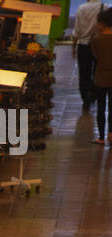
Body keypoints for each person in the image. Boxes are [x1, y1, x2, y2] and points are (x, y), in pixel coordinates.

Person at [73, 0, 102, 109]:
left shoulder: (81, 8)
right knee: (97, 71)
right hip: (98, 44)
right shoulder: (104, 7)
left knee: (84, 72)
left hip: (84, 45)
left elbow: (77, 30)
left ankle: (85, 96)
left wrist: (74, 46)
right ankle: (93, 93)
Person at [91, 9, 112, 144]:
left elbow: (95, 57)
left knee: (101, 106)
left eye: (98, 22)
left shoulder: (96, 39)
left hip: (100, 77)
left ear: (102, 23)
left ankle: (101, 137)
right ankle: (111, 134)